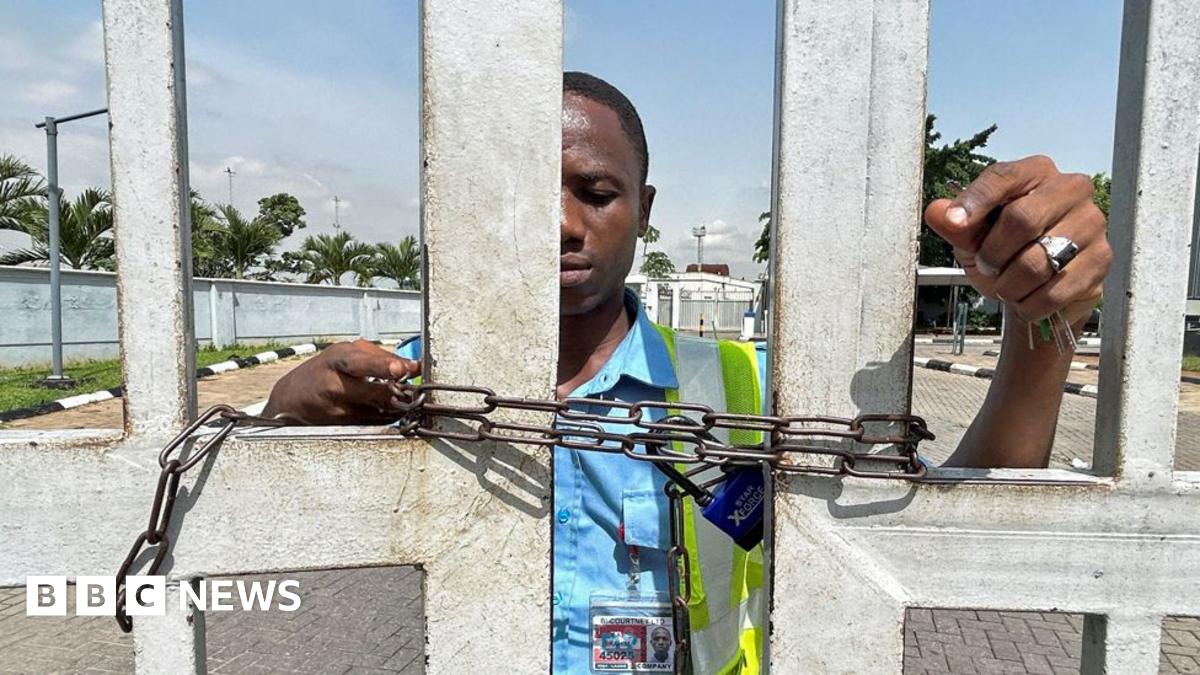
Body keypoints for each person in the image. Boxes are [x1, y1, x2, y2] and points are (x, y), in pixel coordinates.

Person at [263, 72, 1111, 672]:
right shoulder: (409, 383)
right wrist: (286, 409)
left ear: (645, 210)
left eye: (595, 191)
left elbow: (954, 522)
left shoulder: (745, 392)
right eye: (530, 193)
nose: (561, 223)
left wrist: (1044, 322)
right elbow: (243, 519)